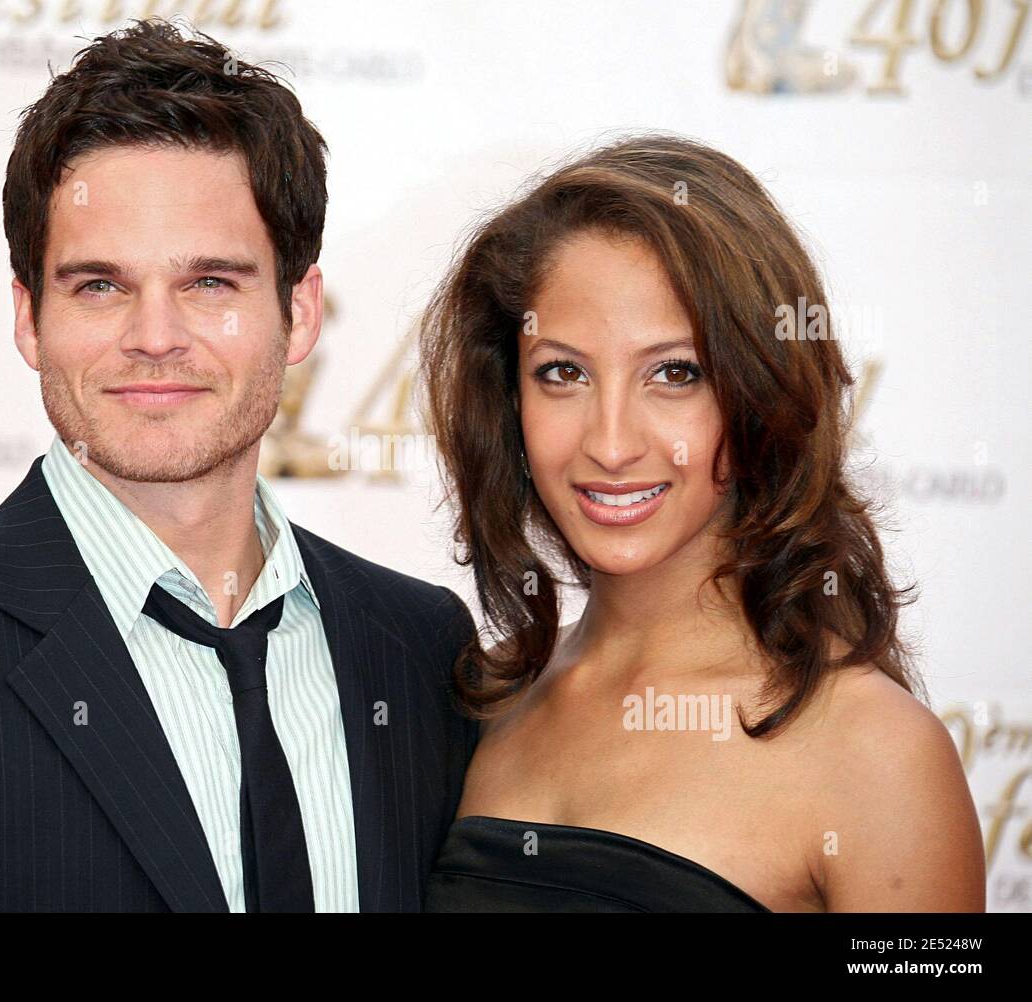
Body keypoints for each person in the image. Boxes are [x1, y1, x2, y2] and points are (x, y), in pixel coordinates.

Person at [0, 19, 476, 913]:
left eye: (210, 283)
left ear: (301, 312)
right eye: (100, 285)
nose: (155, 337)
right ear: (26, 317)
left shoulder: (421, 651)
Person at [418, 134, 986, 912]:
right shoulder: (478, 702)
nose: (611, 443)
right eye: (563, 373)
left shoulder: (876, 754)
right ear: (509, 400)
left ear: (758, 392)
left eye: (675, 374)